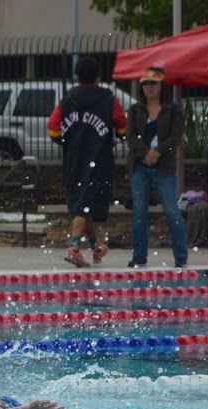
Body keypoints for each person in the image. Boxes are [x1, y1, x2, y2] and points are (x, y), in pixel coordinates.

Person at [48, 56, 127, 268]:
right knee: (84, 205)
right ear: (98, 77)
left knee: (84, 202)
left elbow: (53, 128)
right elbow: (122, 125)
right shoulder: (108, 99)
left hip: (74, 160)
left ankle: (95, 247)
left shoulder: (68, 99)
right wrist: (117, 136)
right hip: (100, 159)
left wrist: (68, 141)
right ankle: (73, 249)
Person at [124, 66, 188, 269]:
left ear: (161, 85)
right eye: (145, 84)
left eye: (153, 83)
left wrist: (157, 152)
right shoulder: (136, 110)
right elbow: (130, 136)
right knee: (139, 211)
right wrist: (145, 152)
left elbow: (175, 137)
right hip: (140, 165)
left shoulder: (173, 110)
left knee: (171, 210)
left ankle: (181, 256)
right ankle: (139, 256)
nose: (149, 87)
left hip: (164, 167)